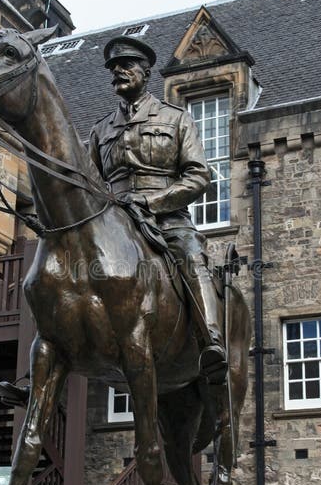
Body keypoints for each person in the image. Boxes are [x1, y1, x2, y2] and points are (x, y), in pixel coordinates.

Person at [89, 35, 227, 383]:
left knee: (192, 255)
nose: (117, 72)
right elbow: (89, 184)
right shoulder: (100, 129)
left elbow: (199, 176)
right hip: (114, 221)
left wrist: (152, 202)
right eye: (113, 68)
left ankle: (211, 340)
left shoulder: (176, 118)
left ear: (145, 72)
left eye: (126, 66)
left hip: (165, 219)